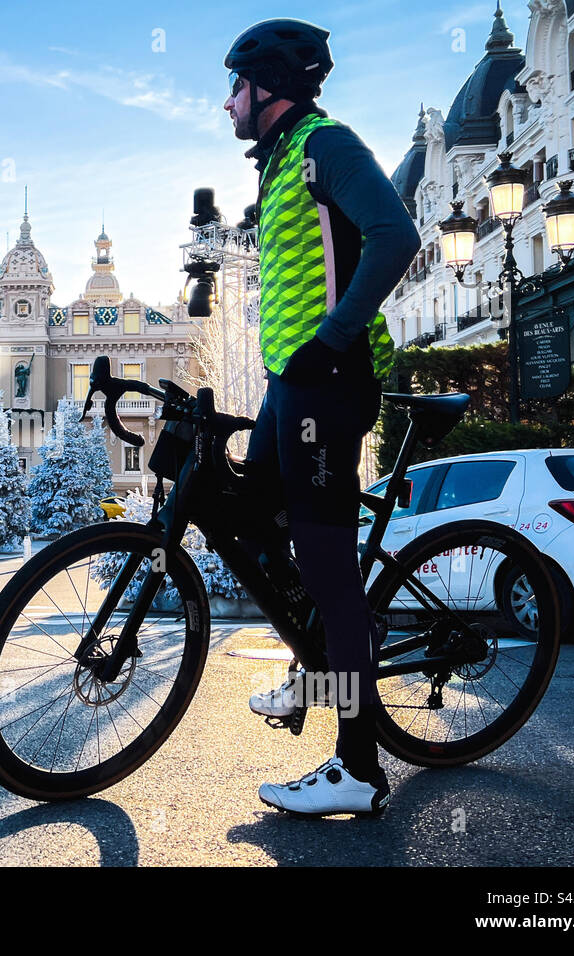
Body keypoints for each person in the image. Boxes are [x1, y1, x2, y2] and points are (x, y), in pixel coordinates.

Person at [223, 18, 420, 816]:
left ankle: (358, 767)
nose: (227, 103)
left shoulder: (325, 145)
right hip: (290, 383)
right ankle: (324, 659)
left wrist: (333, 337)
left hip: (330, 380)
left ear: (269, 86)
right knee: (242, 518)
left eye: (234, 86)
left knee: (330, 568)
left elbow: (395, 235)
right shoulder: (276, 169)